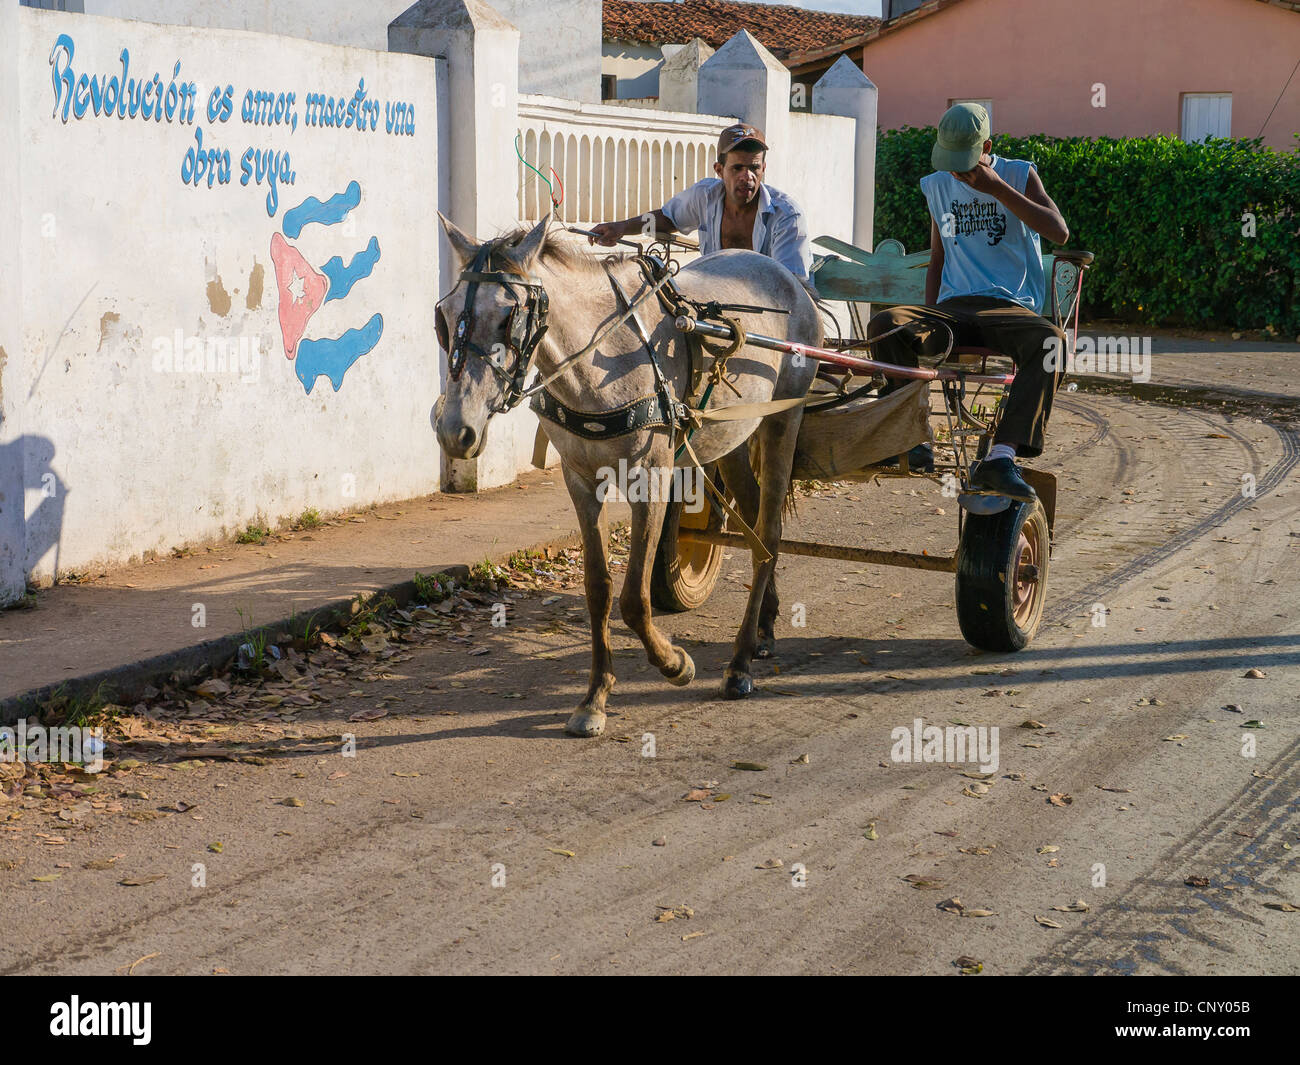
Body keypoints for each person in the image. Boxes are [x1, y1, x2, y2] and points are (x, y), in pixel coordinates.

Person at [867, 103, 1070, 500]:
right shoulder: (937, 185)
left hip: (1007, 306)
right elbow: (938, 258)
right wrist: (931, 319)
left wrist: (996, 188)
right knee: (885, 324)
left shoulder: (1018, 173)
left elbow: (1058, 232)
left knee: (1052, 344)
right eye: (950, 160)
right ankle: (911, 441)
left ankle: (1002, 457)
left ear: (987, 146)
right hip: (953, 307)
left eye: (965, 161)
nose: (957, 171)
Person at [589, 123, 813, 284]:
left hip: (769, 312)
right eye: (737, 168)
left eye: (754, 168)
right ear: (719, 170)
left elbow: (791, 289)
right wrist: (622, 228)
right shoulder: (704, 196)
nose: (748, 177)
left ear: (763, 169)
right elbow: (668, 218)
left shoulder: (787, 217)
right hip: (711, 301)